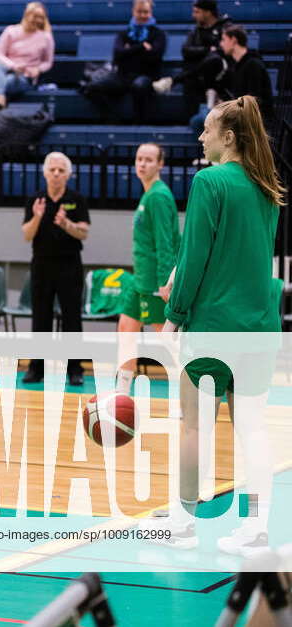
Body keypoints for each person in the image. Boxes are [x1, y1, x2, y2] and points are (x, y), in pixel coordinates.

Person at [147, 96, 284, 555]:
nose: (200, 136)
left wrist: (172, 318)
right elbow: (238, 255)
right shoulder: (267, 187)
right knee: (253, 428)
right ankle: (256, 529)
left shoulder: (209, 181)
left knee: (194, 427)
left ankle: (183, 524)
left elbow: (196, 257)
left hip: (213, 327)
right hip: (260, 328)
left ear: (229, 137)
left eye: (207, 129)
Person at [20, 152, 91, 386]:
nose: (56, 174)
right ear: (45, 173)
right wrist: (37, 217)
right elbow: (26, 235)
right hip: (42, 265)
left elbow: (84, 232)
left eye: (61, 170)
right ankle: (36, 368)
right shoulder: (36, 200)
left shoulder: (76, 199)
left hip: (69, 265)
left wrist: (66, 223)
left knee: (72, 318)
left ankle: (75, 369)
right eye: (52, 170)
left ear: (68, 174)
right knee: (41, 317)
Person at [115, 143, 179, 394]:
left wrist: (165, 281)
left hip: (154, 280)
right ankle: (121, 392)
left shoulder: (158, 197)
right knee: (126, 329)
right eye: (139, 158)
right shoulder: (148, 194)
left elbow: (166, 244)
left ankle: (194, 390)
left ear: (160, 164)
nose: (142, 163)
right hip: (139, 279)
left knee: (168, 339)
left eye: (149, 159)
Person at [85, 0, 165, 124]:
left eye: (146, 12)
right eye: (139, 12)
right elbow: (117, 55)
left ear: (151, 13)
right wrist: (141, 47)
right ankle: (113, 120)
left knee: (139, 86)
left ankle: (139, 123)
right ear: (133, 12)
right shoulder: (124, 33)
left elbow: (154, 57)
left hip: (146, 76)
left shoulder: (158, 34)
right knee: (92, 87)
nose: (142, 15)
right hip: (123, 76)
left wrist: (128, 50)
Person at [190, 24, 275, 135]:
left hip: (254, 124)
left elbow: (252, 102)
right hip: (242, 119)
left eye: (223, 40)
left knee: (204, 121)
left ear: (233, 40)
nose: (221, 44)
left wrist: (227, 107)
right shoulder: (238, 65)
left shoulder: (253, 64)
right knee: (199, 120)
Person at [153, 0, 232, 118]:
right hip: (198, 74)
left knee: (213, 60)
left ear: (208, 12)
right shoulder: (196, 30)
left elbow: (223, 52)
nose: (193, 15)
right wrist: (207, 50)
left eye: (197, 12)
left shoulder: (225, 27)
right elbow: (186, 50)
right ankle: (192, 121)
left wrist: (205, 52)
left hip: (220, 73)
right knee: (192, 80)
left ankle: (173, 81)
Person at [0, 2, 54, 113]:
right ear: (27, 15)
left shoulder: (46, 37)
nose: (38, 20)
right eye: (35, 16)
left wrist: (38, 69)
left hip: (25, 76)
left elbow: (48, 62)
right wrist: (14, 66)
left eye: (41, 17)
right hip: (7, 70)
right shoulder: (10, 31)